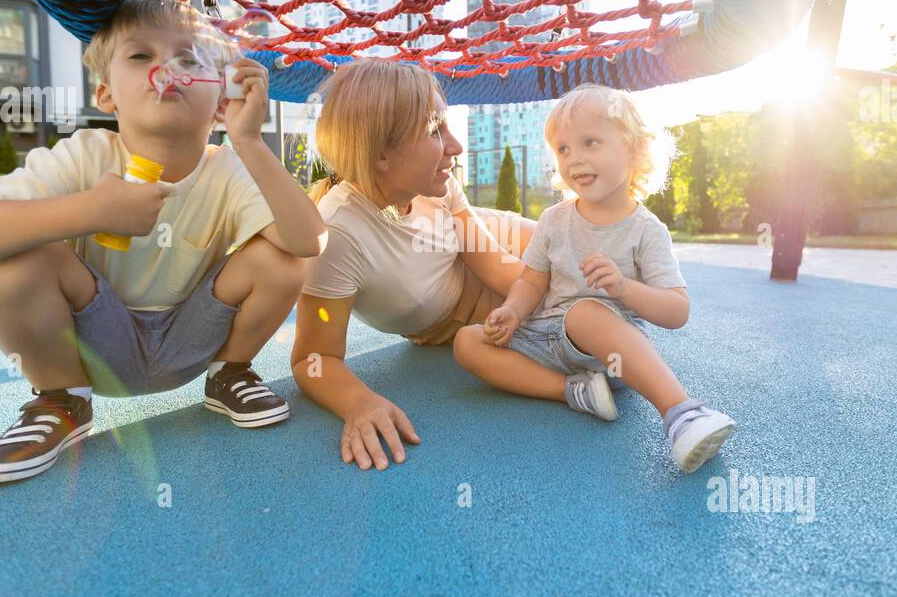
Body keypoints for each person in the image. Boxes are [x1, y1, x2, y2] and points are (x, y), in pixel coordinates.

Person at [0, 0, 325, 484]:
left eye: (189, 58)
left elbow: (308, 243)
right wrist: (88, 211)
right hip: (94, 349)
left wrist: (250, 142)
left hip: (191, 342)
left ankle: (230, 374)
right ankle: (61, 401)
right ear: (106, 94)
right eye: (140, 55)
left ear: (221, 100)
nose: (167, 69)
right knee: (5, 262)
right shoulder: (82, 157)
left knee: (279, 259)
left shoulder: (230, 166)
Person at [453, 84, 735, 473]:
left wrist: (624, 287)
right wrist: (513, 312)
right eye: (564, 149)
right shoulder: (554, 220)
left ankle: (682, 414)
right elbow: (531, 282)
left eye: (590, 142)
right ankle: (573, 391)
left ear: (634, 151)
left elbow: (677, 311)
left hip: (612, 356)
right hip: (548, 343)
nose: (575, 159)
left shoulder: (646, 231)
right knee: (468, 342)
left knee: (585, 313)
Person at [290, 59, 536, 471]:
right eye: (435, 130)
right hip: (454, 320)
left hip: (496, 244)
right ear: (381, 152)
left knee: (586, 263)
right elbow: (311, 359)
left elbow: (496, 267)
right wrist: (357, 402)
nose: (456, 147)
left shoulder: (437, 186)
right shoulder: (337, 234)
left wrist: (557, 281)